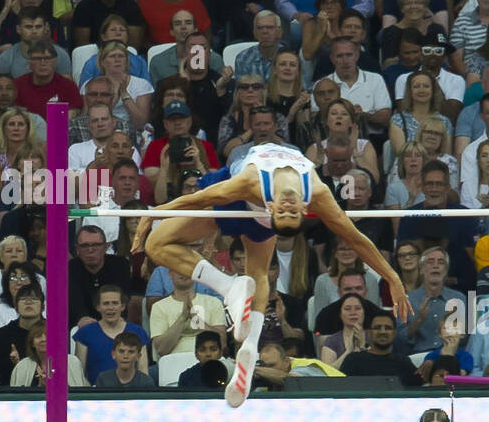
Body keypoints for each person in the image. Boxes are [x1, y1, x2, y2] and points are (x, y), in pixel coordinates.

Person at [136, 140, 409, 406]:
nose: (289, 207)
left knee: (249, 272)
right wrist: (155, 213)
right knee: (157, 244)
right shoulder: (307, 189)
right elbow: (200, 197)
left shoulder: (294, 191)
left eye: (287, 213)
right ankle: (238, 313)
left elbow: (356, 239)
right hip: (243, 199)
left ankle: (246, 339)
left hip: (253, 206)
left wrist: (392, 277)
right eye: (290, 212)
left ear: (282, 210)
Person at [341, 311, 422, 386]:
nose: (383, 332)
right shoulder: (353, 360)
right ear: (370, 333)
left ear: (394, 333)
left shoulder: (403, 362)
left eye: (387, 328)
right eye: (377, 327)